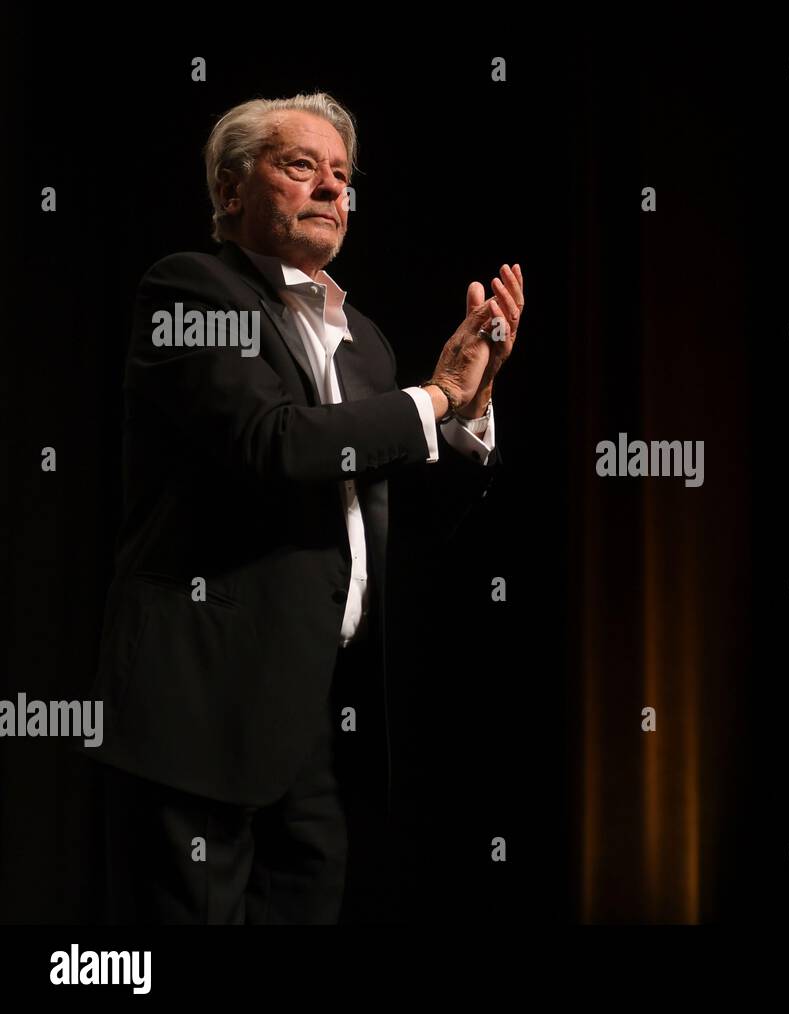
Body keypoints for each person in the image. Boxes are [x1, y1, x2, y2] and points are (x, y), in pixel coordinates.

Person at [78, 92, 524, 923]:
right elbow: (275, 442)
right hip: (200, 713)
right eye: (301, 167)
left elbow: (397, 524)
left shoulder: (368, 344)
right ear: (230, 190)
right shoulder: (189, 292)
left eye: (343, 176)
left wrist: (465, 414)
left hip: (317, 725)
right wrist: (431, 397)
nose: (330, 188)